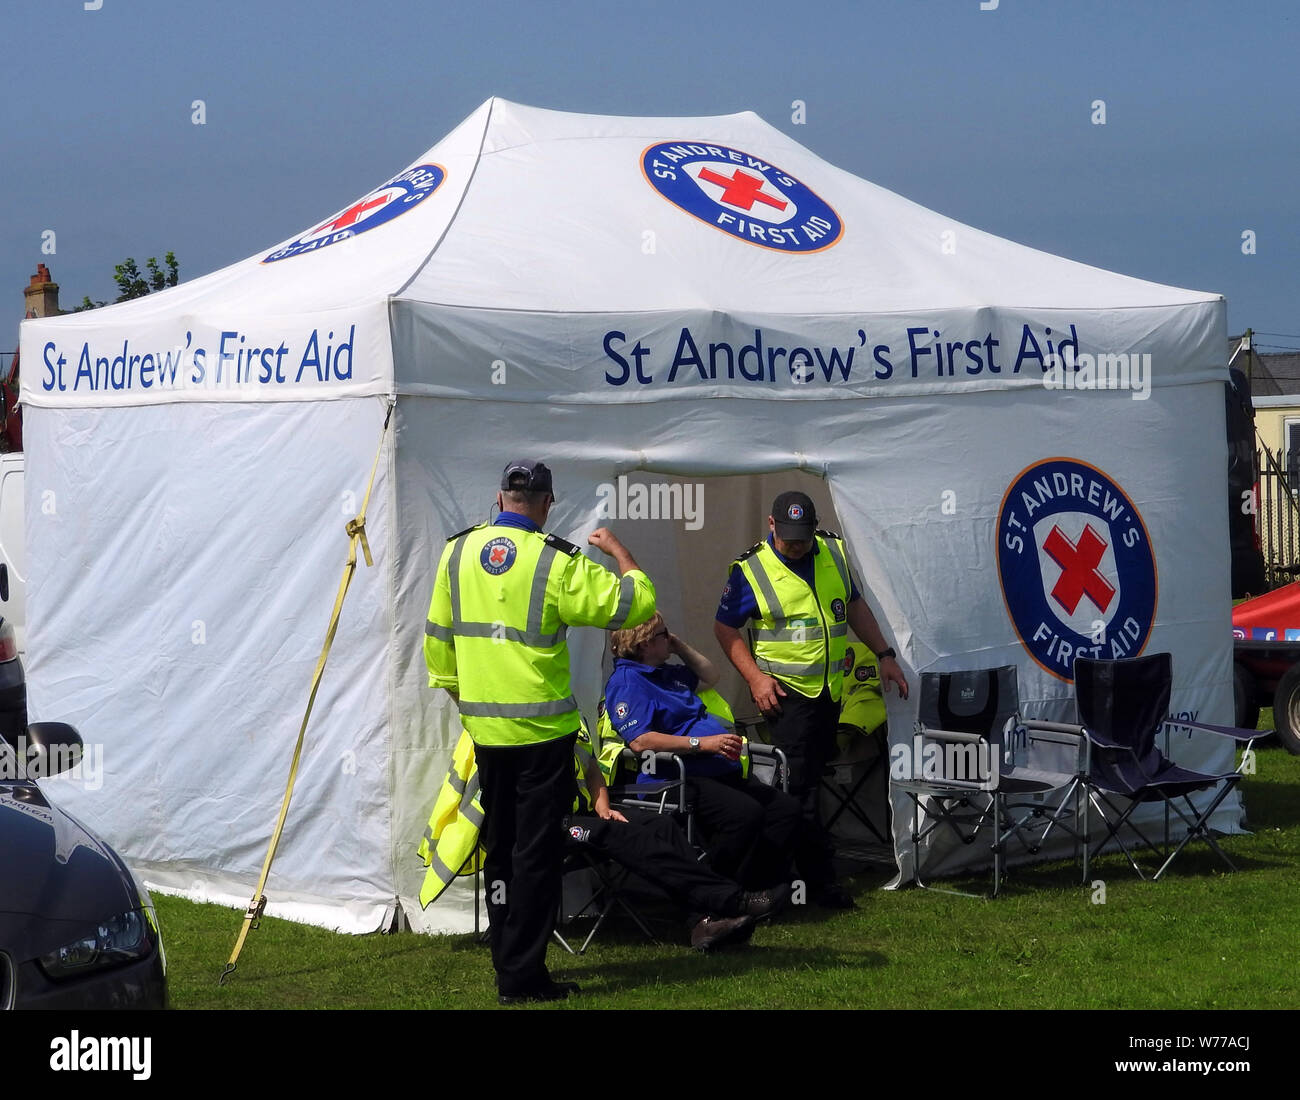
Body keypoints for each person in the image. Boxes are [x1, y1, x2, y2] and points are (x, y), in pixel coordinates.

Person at [423, 459, 656, 1005]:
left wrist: (469, 703)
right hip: (542, 736)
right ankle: (523, 975)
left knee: (500, 849)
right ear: (548, 504)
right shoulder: (557, 561)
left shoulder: (455, 553)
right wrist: (623, 557)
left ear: (499, 497)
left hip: (488, 734)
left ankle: (507, 955)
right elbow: (635, 606)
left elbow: (438, 642)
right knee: (536, 856)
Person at [713, 491, 909, 908]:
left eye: (802, 537)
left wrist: (884, 654)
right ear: (771, 526)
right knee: (796, 793)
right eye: (788, 538)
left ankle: (787, 883)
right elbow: (725, 629)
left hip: (829, 693)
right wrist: (756, 679)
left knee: (808, 788)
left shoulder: (834, 551)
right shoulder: (750, 570)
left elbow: (853, 606)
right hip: (786, 697)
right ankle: (810, 885)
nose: (796, 545)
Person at [604, 613, 802, 891]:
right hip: (677, 777)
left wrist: (679, 646)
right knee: (745, 814)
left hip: (715, 769)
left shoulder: (666, 673)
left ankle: (761, 884)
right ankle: (721, 889)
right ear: (645, 644)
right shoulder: (628, 683)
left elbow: (711, 675)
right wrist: (702, 745)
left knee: (784, 809)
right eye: (664, 634)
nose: (669, 637)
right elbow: (641, 741)